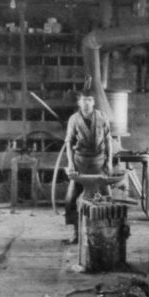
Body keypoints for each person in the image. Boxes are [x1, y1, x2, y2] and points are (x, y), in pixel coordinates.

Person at [63, 88, 113, 244]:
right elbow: (69, 143)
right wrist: (71, 164)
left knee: (107, 199)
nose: (87, 103)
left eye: (90, 100)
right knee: (71, 199)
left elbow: (108, 140)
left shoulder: (102, 117)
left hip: (99, 163)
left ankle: (107, 234)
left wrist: (109, 161)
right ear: (79, 102)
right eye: (84, 100)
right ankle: (77, 234)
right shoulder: (73, 119)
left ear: (94, 102)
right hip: (80, 164)